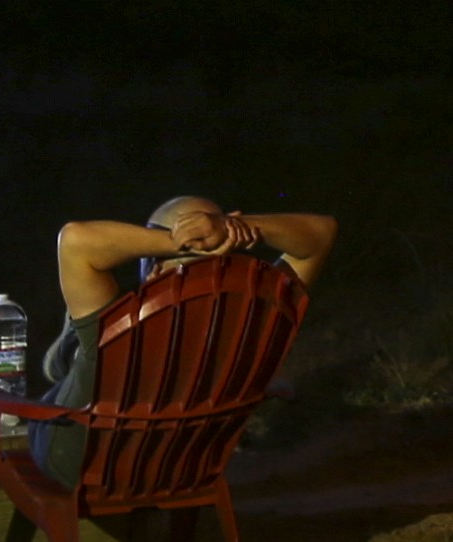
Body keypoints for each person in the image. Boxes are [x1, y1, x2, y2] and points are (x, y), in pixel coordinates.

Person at [27, 197, 335, 479]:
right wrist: (232, 228)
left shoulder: (121, 325)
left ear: (155, 267)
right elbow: (322, 232)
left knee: (50, 395)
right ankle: (71, 356)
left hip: (83, 465)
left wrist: (177, 242)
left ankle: (71, 350)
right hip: (187, 467)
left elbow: (74, 239)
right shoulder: (262, 312)